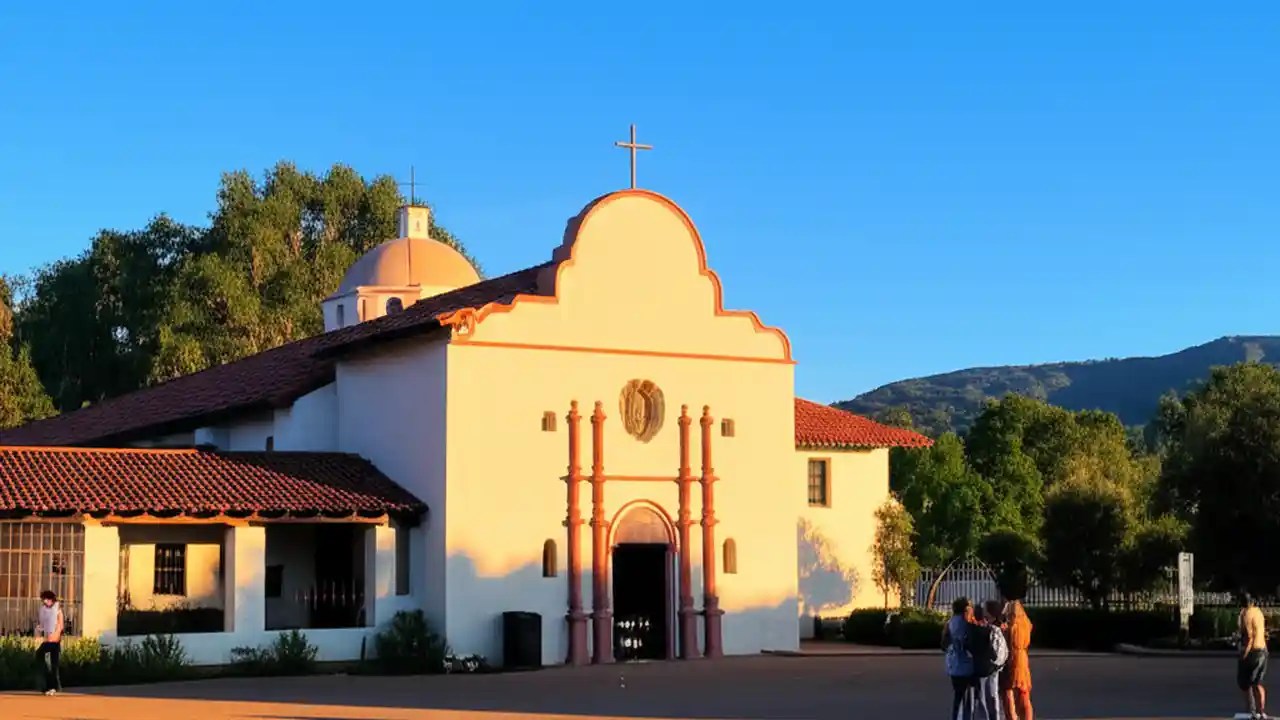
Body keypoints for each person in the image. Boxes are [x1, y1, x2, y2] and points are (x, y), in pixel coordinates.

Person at [969, 603, 1007, 720]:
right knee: (993, 696)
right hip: (993, 668)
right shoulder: (995, 630)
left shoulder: (973, 631)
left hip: (981, 668)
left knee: (981, 699)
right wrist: (998, 664)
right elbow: (1003, 650)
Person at [942, 596, 976, 720]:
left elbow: (943, 645)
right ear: (966, 609)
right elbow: (971, 644)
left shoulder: (950, 623)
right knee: (969, 698)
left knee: (958, 697)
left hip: (953, 665)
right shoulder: (966, 624)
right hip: (966, 665)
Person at [1238, 592, 1269, 720]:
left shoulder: (1246, 614)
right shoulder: (1258, 612)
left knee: (1245, 683)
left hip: (1253, 653)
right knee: (1257, 683)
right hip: (1263, 651)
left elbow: (1250, 637)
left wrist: (1244, 653)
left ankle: (1253, 712)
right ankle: (1262, 712)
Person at [1004, 599, 1034, 720]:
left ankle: (1012, 716)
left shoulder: (1012, 627)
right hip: (1023, 658)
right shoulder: (1026, 625)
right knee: (1024, 693)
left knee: (1008, 690)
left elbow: (1009, 644)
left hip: (1014, 658)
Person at [35, 589, 63, 695]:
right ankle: (46, 686)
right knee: (40, 656)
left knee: (53, 664)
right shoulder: (42, 610)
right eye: (44, 599)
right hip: (47, 639)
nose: (45, 601)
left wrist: (56, 635)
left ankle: (54, 687)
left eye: (46, 599)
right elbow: (42, 624)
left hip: (54, 640)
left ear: (51, 599)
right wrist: (38, 630)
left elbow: (60, 625)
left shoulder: (58, 609)